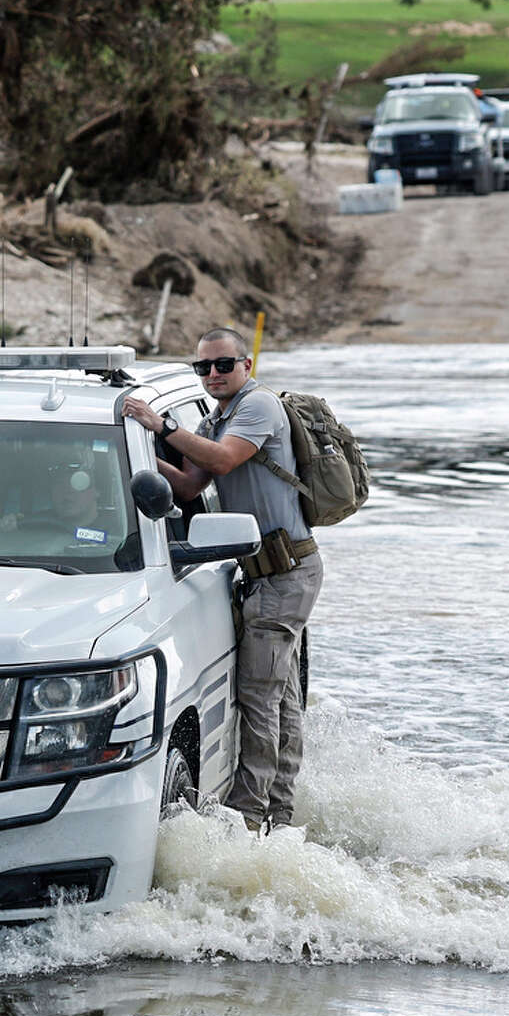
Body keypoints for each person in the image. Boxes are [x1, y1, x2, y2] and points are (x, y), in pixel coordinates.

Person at [123, 329, 322, 833]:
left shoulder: (258, 408)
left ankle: (251, 816)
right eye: (203, 368)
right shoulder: (214, 418)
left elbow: (223, 460)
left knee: (258, 695)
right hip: (260, 573)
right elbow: (191, 484)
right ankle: (282, 810)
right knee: (278, 696)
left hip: (286, 572)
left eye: (223, 364)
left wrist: (162, 424)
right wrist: (139, 456)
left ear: (246, 365)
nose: (213, 374)